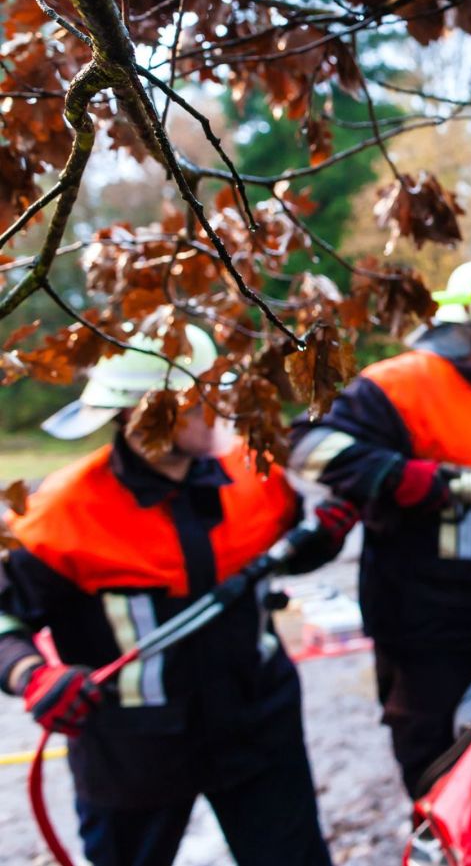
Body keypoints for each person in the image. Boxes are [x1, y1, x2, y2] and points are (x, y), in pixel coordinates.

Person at [0, 327, 353, 866]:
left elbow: (283, 556)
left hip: (257, 728)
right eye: (197, 399)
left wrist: (324, 537)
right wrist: (32, 675)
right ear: (140, 412)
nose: (218, 410)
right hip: (133, 752)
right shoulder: (62, 513)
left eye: (217, 392)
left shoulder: (254, 474)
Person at [288, 259, 471, 799]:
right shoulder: (399, 384)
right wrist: (396, 475)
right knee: (435, 761)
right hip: (424, 626)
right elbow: (306, 446)